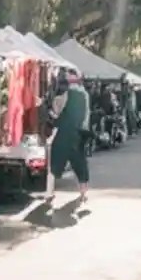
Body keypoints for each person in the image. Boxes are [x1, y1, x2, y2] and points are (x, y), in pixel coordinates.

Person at [47, 70, 91, 204]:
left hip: (63, 134)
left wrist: (50, 111)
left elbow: (55, 113)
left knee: (54, 164)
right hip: (77, 134)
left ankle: (50, 193)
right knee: (80, 164)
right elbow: (86, 116)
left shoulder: (63, 96)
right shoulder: (85, 96)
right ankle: (83, 193)